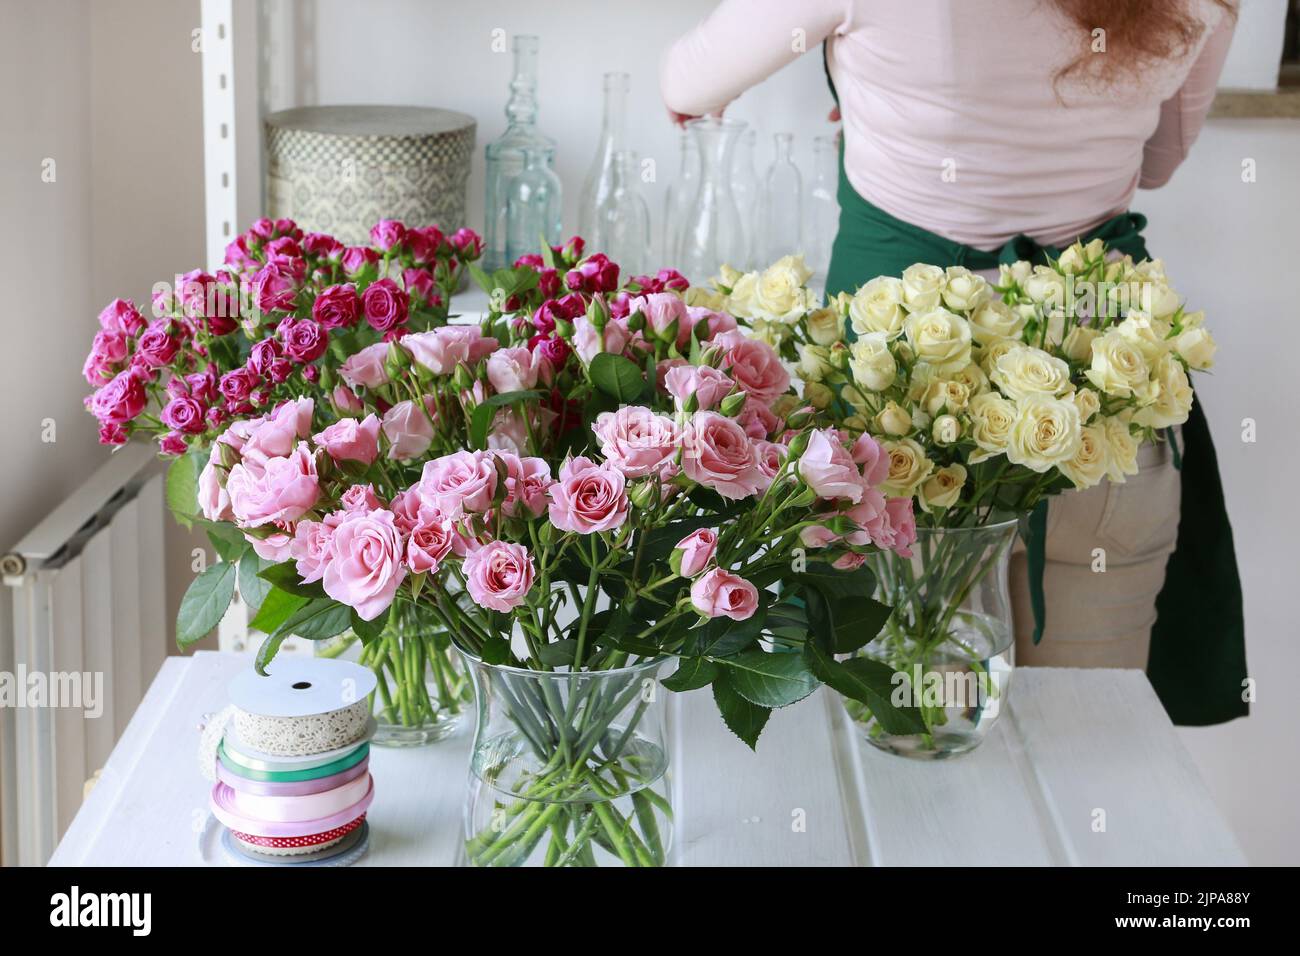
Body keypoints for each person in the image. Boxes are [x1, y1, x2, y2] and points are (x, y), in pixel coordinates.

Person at [660, 0, 1246, 726]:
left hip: (909, 440)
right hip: (1106, 423)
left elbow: (686, 83)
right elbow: (1157, 162)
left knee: (919, 748)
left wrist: (888, 97)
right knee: (1091, 744)